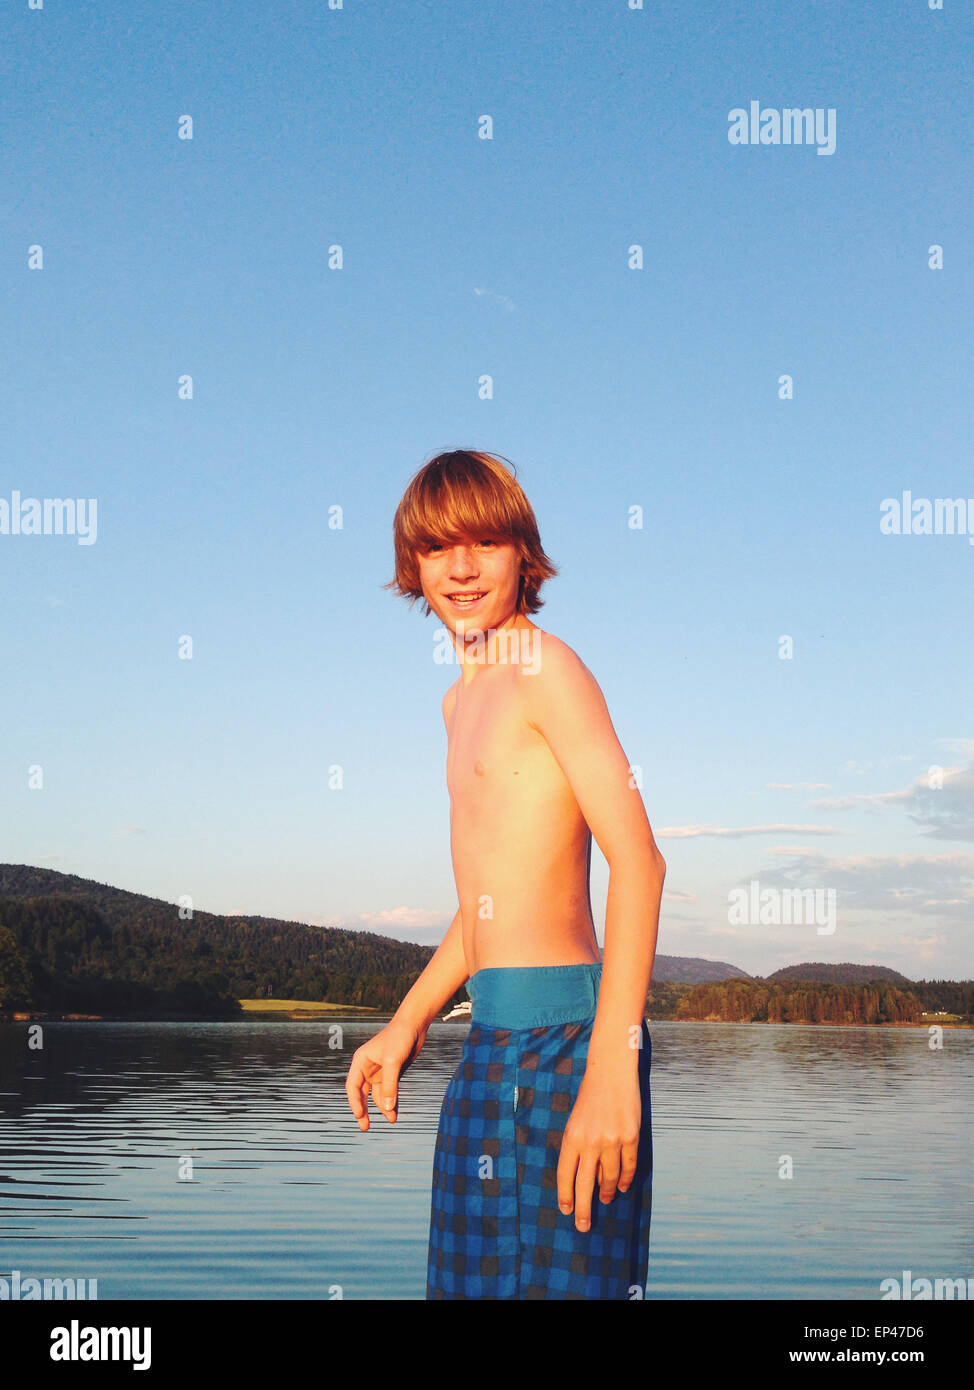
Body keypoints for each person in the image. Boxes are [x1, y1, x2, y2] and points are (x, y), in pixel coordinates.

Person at [344, 449, 666, 1299]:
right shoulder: (458, 700)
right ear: (412, 565)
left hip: (569, 1046)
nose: (460, 568)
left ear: (524, 553)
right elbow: (480, 906)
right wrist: (406, 1026)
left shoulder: (544, 668)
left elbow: (640, 861)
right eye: (438, 547)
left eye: (484, 543)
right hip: (488, 1048)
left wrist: (611, 1065)